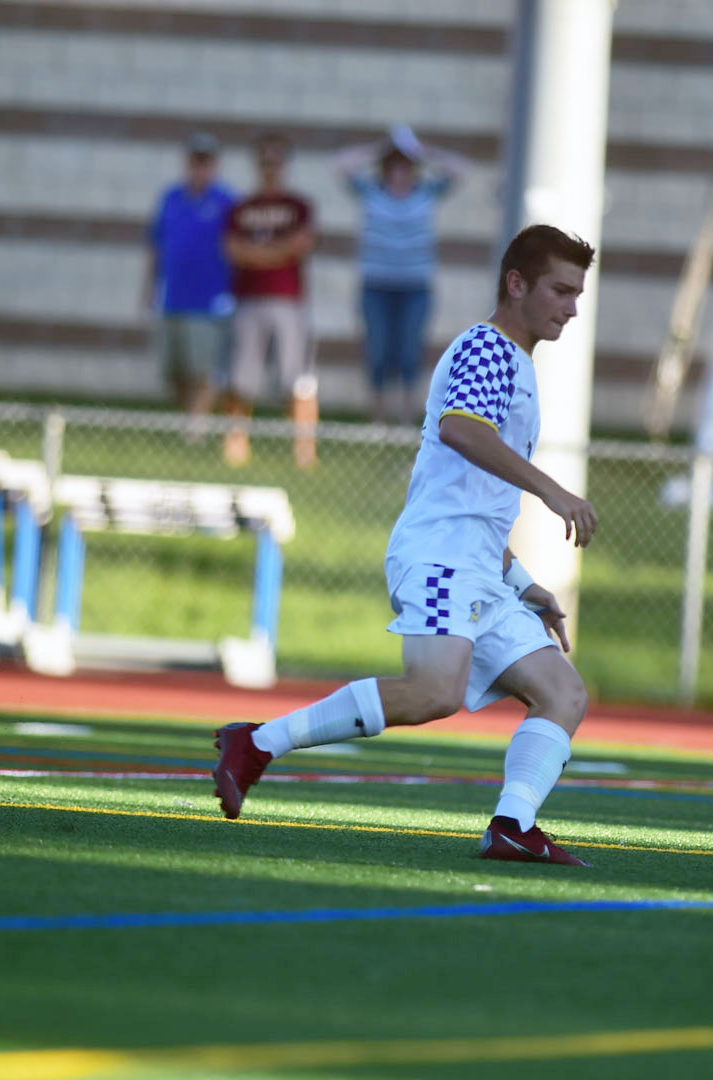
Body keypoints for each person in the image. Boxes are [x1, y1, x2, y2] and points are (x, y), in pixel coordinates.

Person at [212, 225, 601, 865]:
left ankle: (512, 826)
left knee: (564, 694)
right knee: (434, 693)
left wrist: (522, 580)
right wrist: (553, 492)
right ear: (516, 283)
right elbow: (459, 430)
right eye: (561, 289)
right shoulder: (487, 349)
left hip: (476, 565)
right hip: (441, 560)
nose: (571, 307)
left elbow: (468, 500)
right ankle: (255, 743)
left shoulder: (518, 364)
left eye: (577, 293)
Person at [335, 124, 470, 424]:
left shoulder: (427, 192)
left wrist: (423, 151)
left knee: (410, 352)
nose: (398, 171)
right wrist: (379, 148)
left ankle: (408, 417)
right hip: (376, 286)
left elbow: (461, 170)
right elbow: (341, 165)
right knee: (378, 350)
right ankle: (378, 418)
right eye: (392, 165)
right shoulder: (369, 191)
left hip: (415, 288)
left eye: (405, 165)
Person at [222, 133, 318, 469]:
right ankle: (235, 441)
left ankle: (303, 448)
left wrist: (258, 254)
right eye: (265, 161)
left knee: (298, 379)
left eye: (276, 161)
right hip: (248, 301)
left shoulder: (299, 206)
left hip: (288, 303)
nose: (270, 168)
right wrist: (277, 253)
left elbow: (301, 245)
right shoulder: (241, 208)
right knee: (241, 376)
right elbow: (233, 251)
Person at [145, 132, 237, 431]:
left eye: (205, 162)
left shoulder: (227, 201)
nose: (199, 168)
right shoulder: (170, 198)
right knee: (174, 371)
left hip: (210, 301)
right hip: (172, 298)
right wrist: (149, 288)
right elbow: (157, 247)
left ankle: (195, 430)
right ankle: (190, 419)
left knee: (205, 369)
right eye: (195, 161)